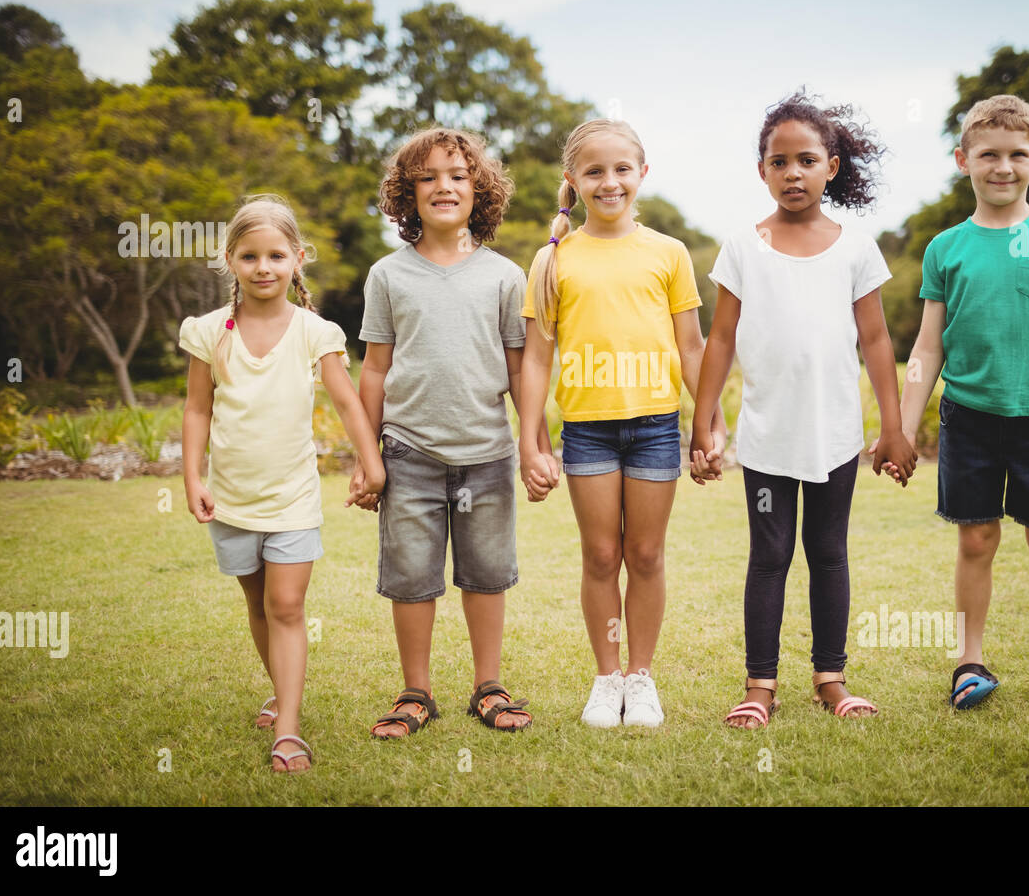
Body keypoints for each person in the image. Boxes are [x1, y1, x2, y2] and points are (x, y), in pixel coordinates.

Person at [690, 91, 916, 729]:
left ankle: (831, 679)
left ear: (831, 167)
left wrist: (892, 429)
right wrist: (704, 423)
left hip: (837, 438)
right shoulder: (742, 246)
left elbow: (876, 341)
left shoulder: (855, 248)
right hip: (766, 441)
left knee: (829, 552)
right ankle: (760, 685)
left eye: (806, 160)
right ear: (762, 171)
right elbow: (722, 339)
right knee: (769, 556)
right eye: (778, 161)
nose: (792, 172)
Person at [890, 94, 1029, 720]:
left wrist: (1025, 348)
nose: (1002, 166)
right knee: (976, 540)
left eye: (1016, 155)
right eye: (988, 154)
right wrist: (902, 428)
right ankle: (970, 664)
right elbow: (927, 345)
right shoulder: (945, 248)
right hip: (969, 419)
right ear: (963, 160)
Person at [518, 119, 726, 728]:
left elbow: (692, 349)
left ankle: (642, 676)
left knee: (646, 553)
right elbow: (536, 356)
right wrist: (531, 441)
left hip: (657, 426)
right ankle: (607, 679)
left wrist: (709, 423)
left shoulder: (669, 253)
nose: (610, 183)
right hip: (587, 429)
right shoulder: (553, 258)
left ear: (641, 173)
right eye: (594, 172)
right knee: (601, 555)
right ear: (573, 181)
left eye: (621, 169)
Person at [351, 127, 546, 737]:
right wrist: (366, 458)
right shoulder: (387, 276)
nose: (444, 187)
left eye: (458, 176)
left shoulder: (506, 275)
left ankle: (488, 686)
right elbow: (375, 369)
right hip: (407, 451)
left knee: (487, 574)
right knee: (411, 578)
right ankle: (416, 693)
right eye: (428, 177)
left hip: (486, 452)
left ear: (478, 190)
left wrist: (533, 443)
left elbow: (521, 367)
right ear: (407, 195)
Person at [180, 194, 385, 772]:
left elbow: (347, 402)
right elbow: (198, 409)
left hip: (294, 500)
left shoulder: (315, 332)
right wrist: (192, 476)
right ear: (230, 261)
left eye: (275, 255)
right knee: (259, 606)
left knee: (287, 604)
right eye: (249, 256)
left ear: (298, 259)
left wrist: (372, 463)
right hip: (231, 500)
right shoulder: (207, 332)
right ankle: (281, 692)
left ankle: (288, 729)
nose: (263, 267)